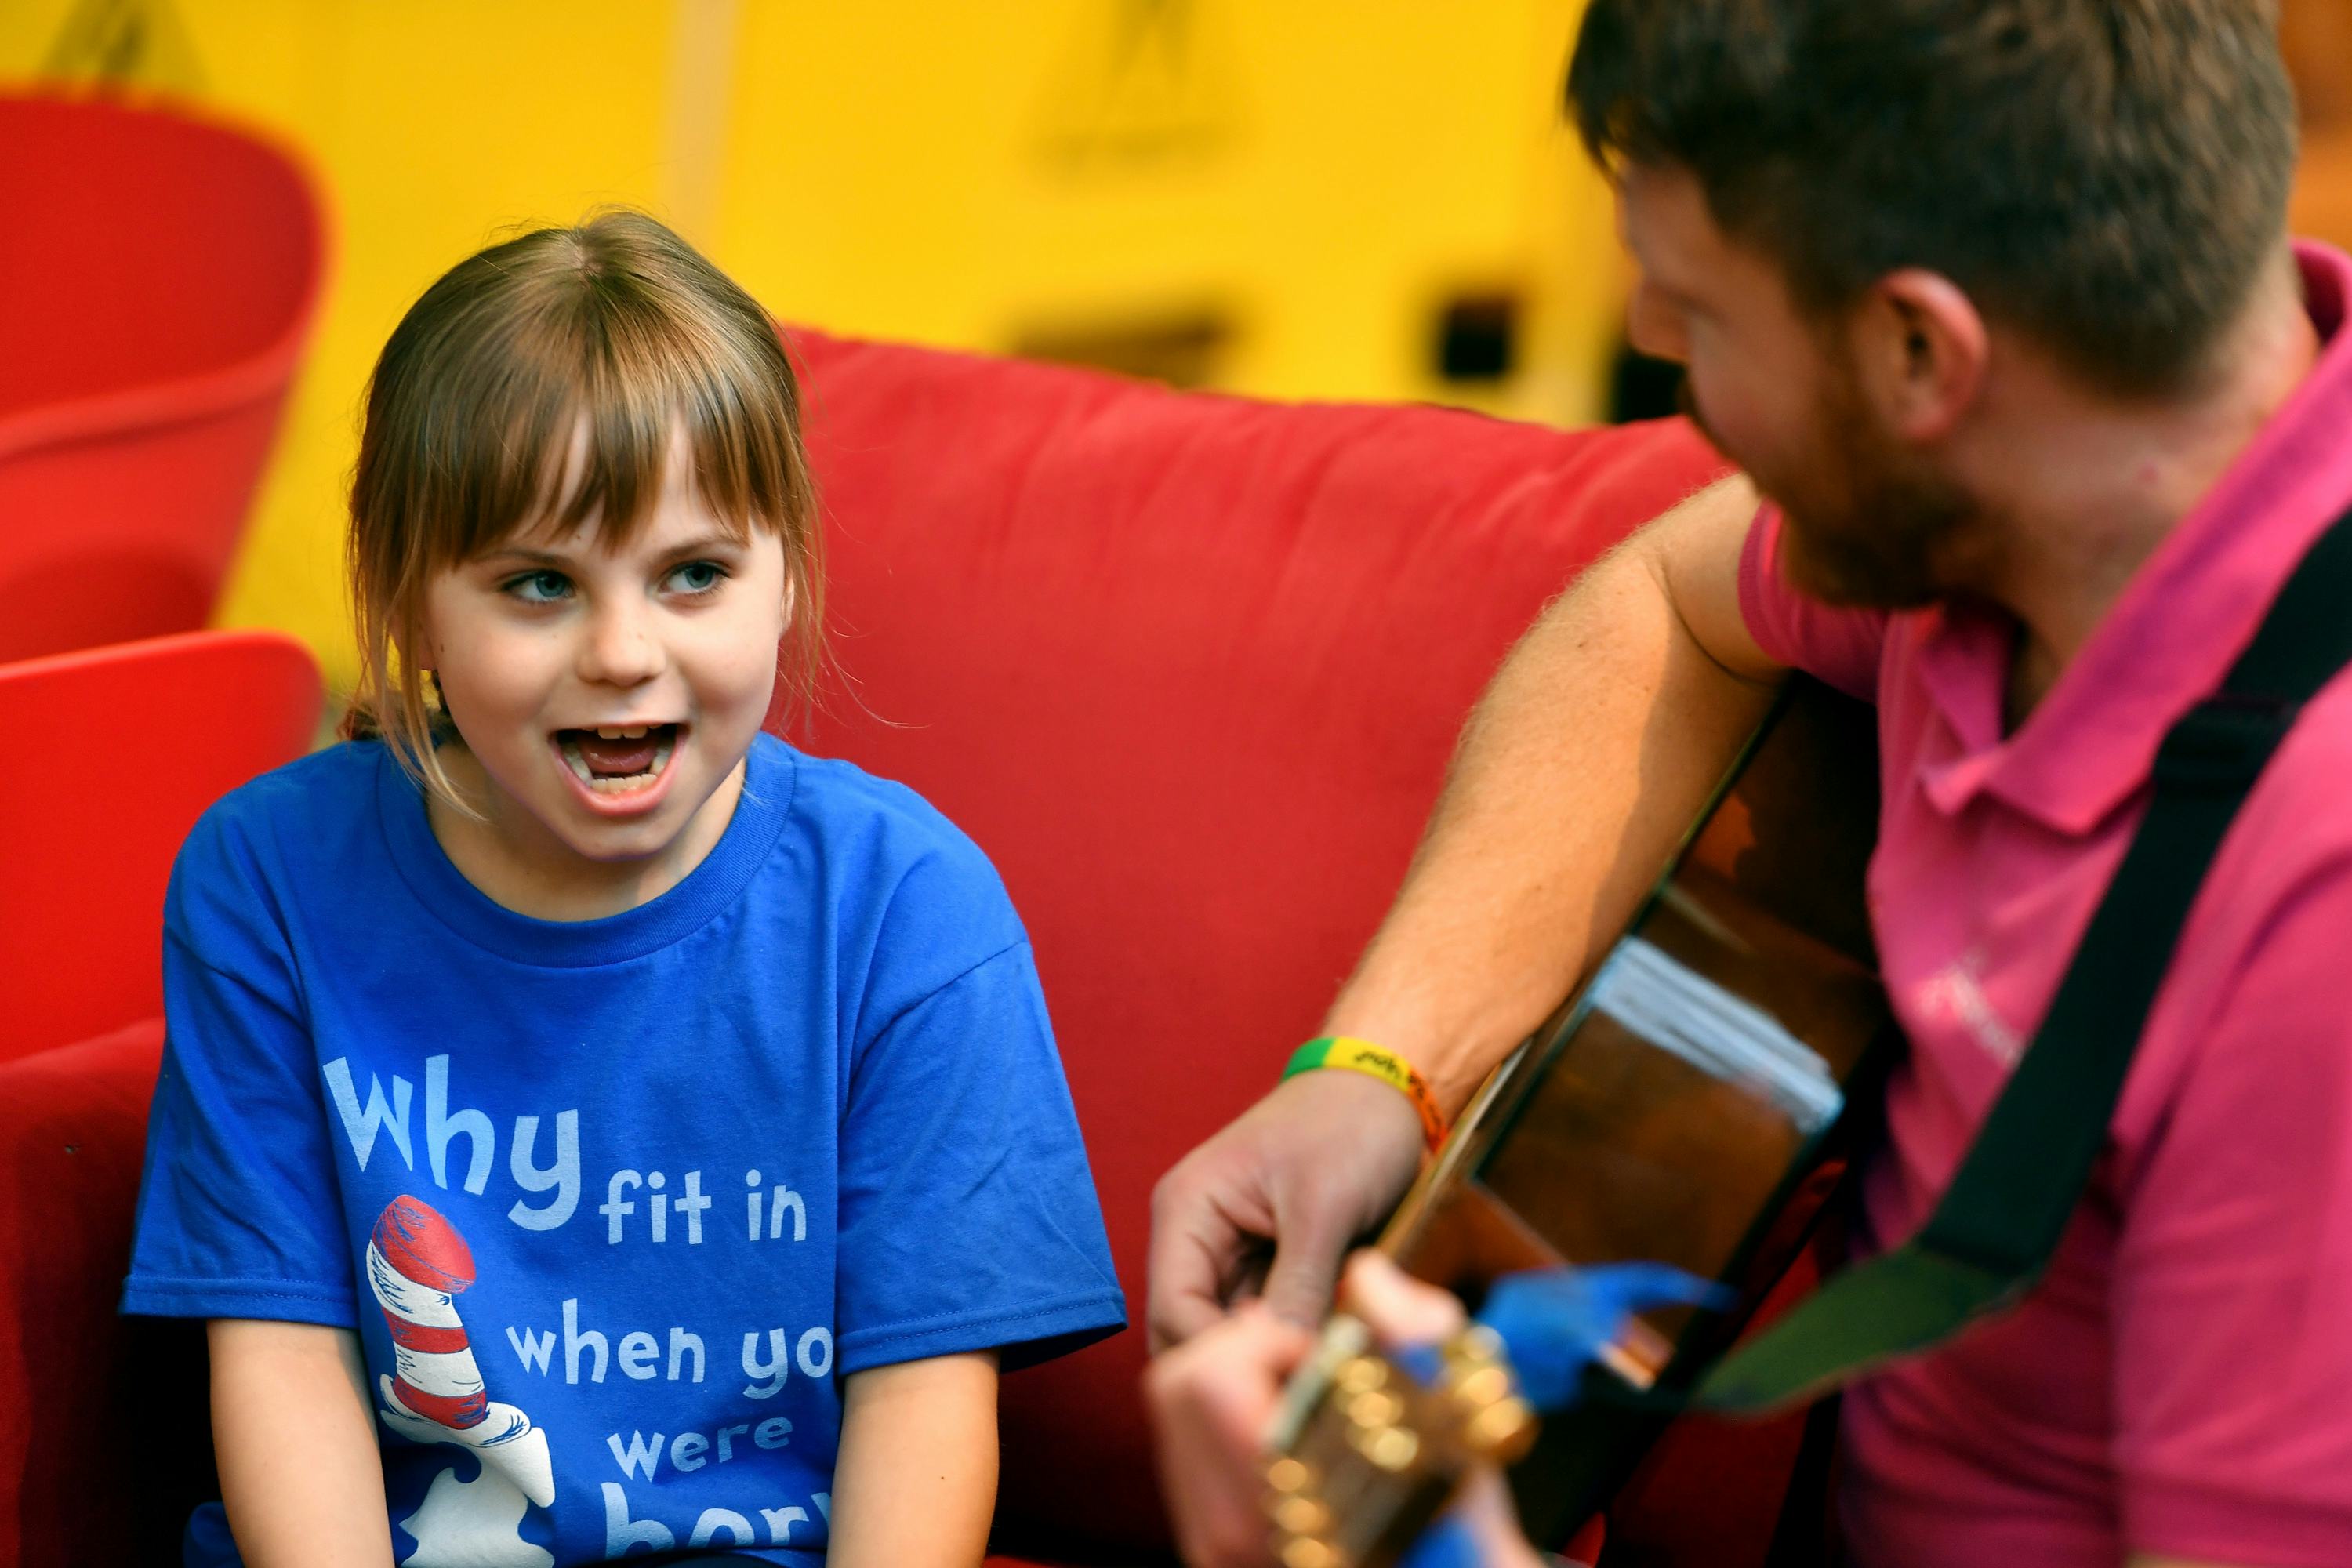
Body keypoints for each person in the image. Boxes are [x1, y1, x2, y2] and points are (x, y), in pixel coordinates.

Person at [1147, 3, 2352, 1566]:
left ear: (1922, 352)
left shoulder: (2316, 898)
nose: (1647, 336)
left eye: (1698, 304)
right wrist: (1379, 1073)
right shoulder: (2011, 512)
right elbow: (1666, 603)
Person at [122, 211, 1126, 1568]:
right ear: (411, 600)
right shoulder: (268, 881)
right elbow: (282, 1355)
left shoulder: (905, 907)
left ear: (786, 578)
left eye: (694, 575)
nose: (621, 651)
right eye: (539, 584)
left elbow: (927, 1395)